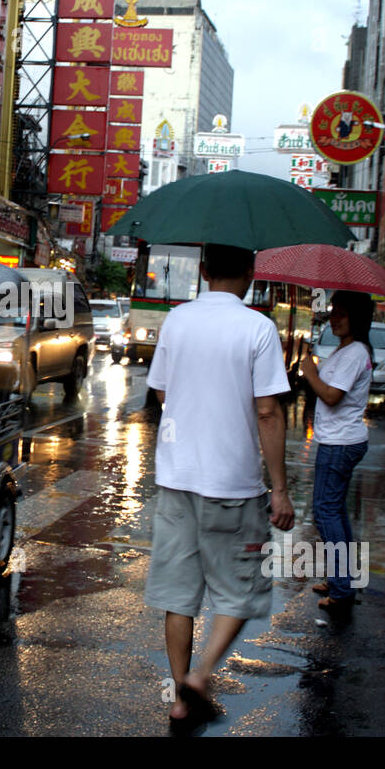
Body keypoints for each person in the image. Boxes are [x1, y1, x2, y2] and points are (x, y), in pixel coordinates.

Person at [143, 243, 294, 731]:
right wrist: (280, 488)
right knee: (239, 591)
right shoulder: (258, 327)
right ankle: (202, 674)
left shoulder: (177, 321)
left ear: (203, 271)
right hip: (234, 482)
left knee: (179, 595)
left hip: (176, 478)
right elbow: (268, 410)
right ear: (251, 274)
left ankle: (180, 697)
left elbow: (162, 392)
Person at [298, 291, 373, 611]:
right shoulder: (345, 350)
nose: (335, 318)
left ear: (357, 317)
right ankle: (341, 577)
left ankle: (342, 588)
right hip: (335, 440)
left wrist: (309, 371)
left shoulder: (356, 352)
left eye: (343, 313)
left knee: (325, 511)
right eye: (333, 312)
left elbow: (331, 396)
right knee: (335, 512)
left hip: (340, 444)